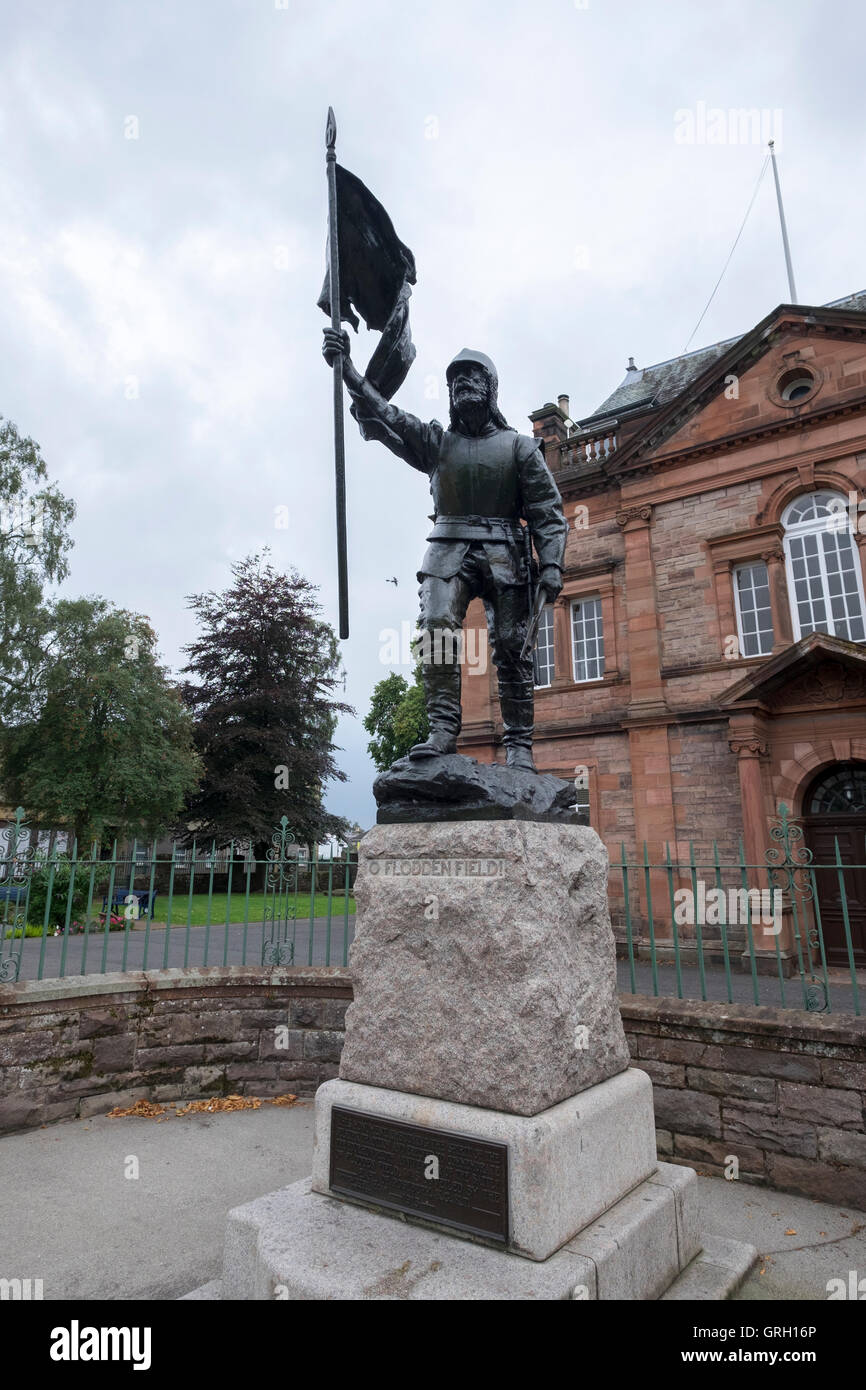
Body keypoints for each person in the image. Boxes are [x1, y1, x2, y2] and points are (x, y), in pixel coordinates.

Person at [323, 330, 567, 772]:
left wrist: (551, 563)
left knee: (512, 648)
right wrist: (350, 373)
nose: (464, 385)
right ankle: (441, 731)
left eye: (474, 378)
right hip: (448, 548)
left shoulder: (519, 448)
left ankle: (518, 747)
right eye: (456, 380)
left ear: (491, 389)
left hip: (506, 552)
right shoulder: (438, 443)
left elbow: (549, 512)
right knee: (436, 630)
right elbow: (388, 416)